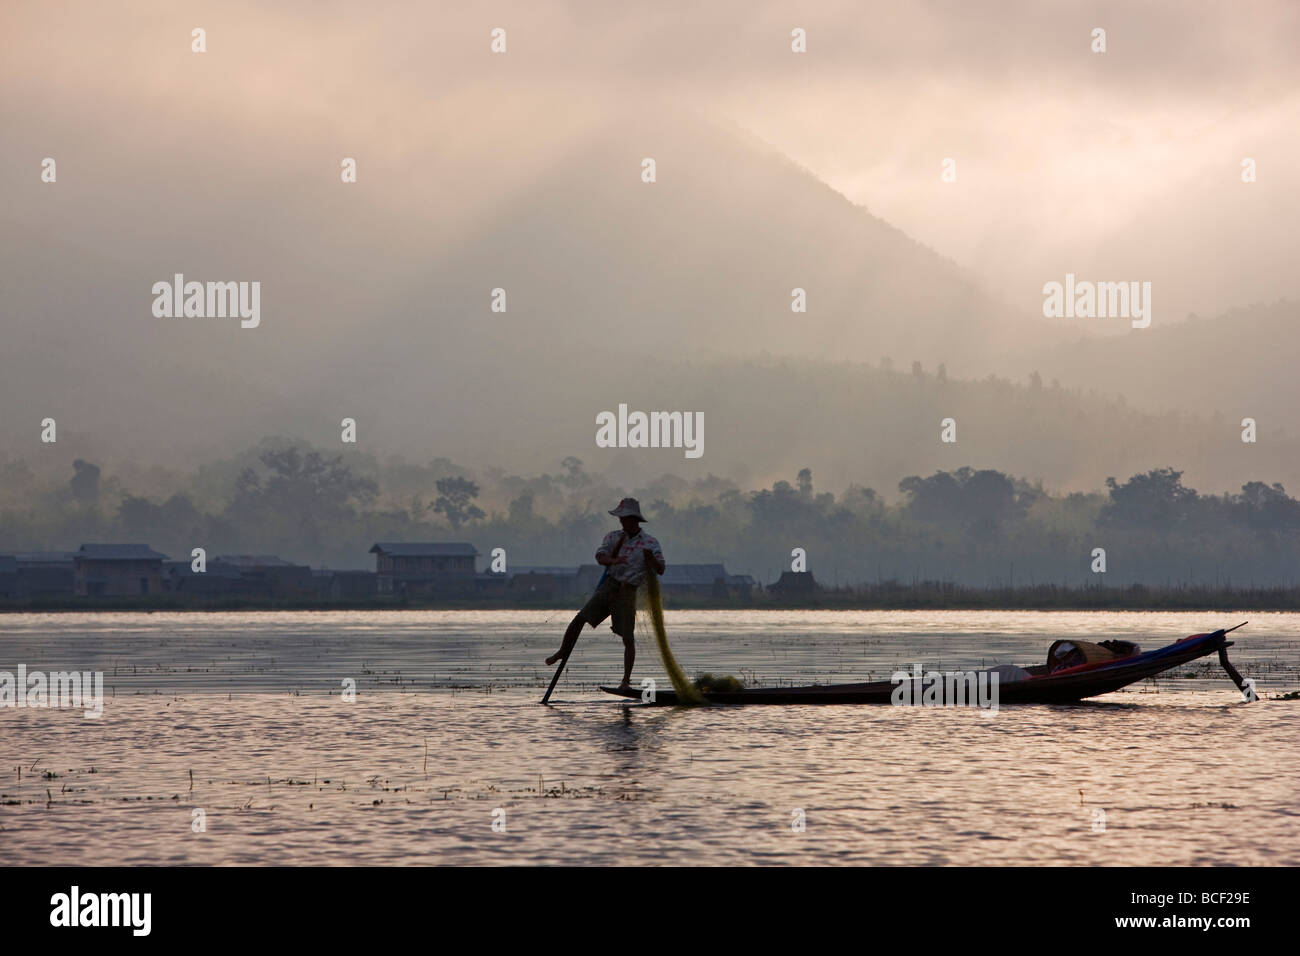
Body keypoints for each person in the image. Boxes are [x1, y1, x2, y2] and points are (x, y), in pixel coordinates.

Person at [545, 497, 666, 690]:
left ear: (634, 519)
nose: (621, 521)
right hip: (609, 586)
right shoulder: (613, 538)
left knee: (628, 637)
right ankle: (562, 651)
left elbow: (660, 569)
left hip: (628, 591)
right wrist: (613, 560)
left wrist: (651, 559)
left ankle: (625, 681)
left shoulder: (650, 543)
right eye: (621, 518)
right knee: (579, 619)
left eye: (625, 518)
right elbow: (600, 557)